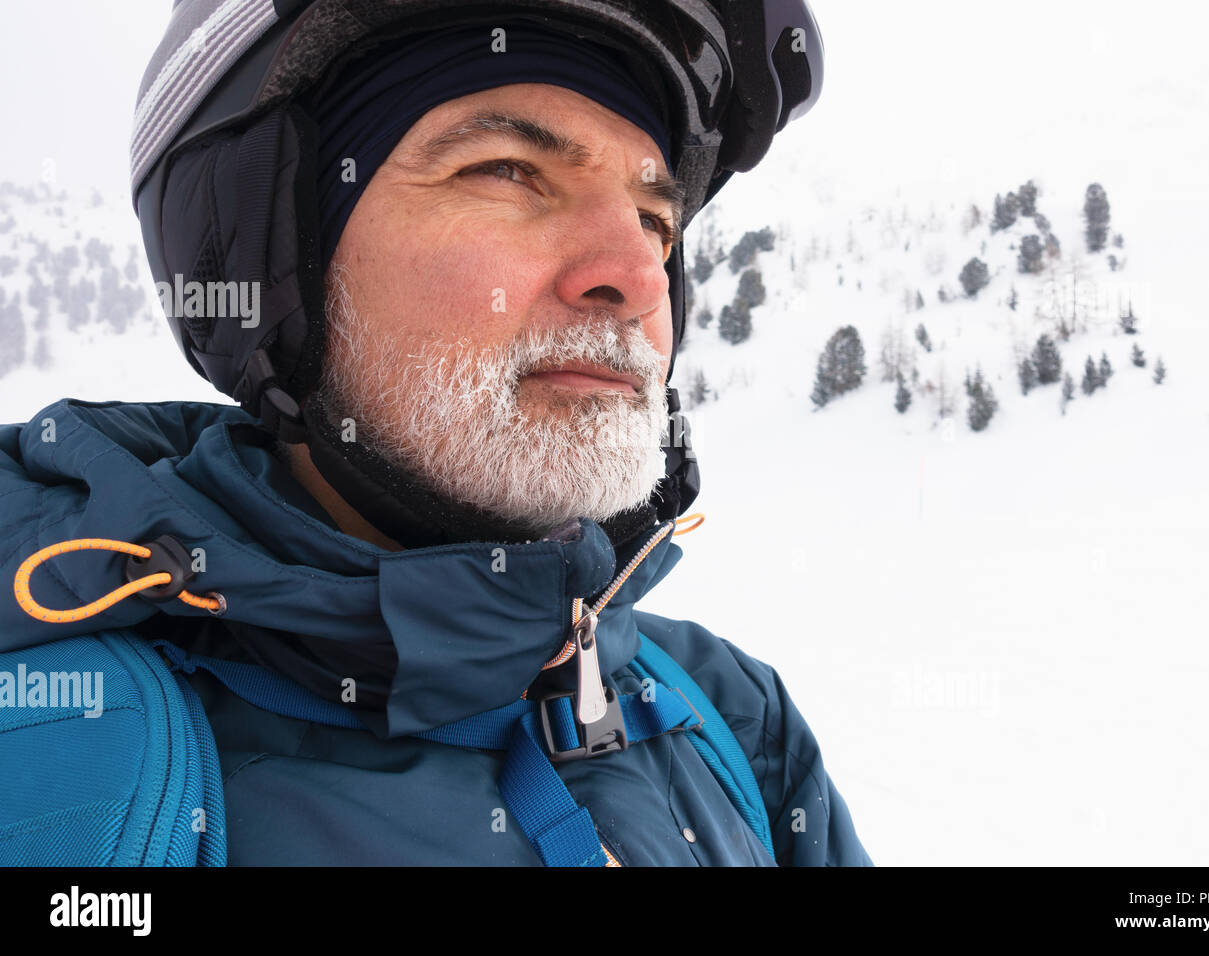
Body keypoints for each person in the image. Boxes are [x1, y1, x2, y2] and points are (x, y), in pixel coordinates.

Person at [0, 0, 870, 866]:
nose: (639, 276)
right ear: (272, 262)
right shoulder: (60, 754)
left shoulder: (733, 720)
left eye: (655, 219)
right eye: (507, 171)